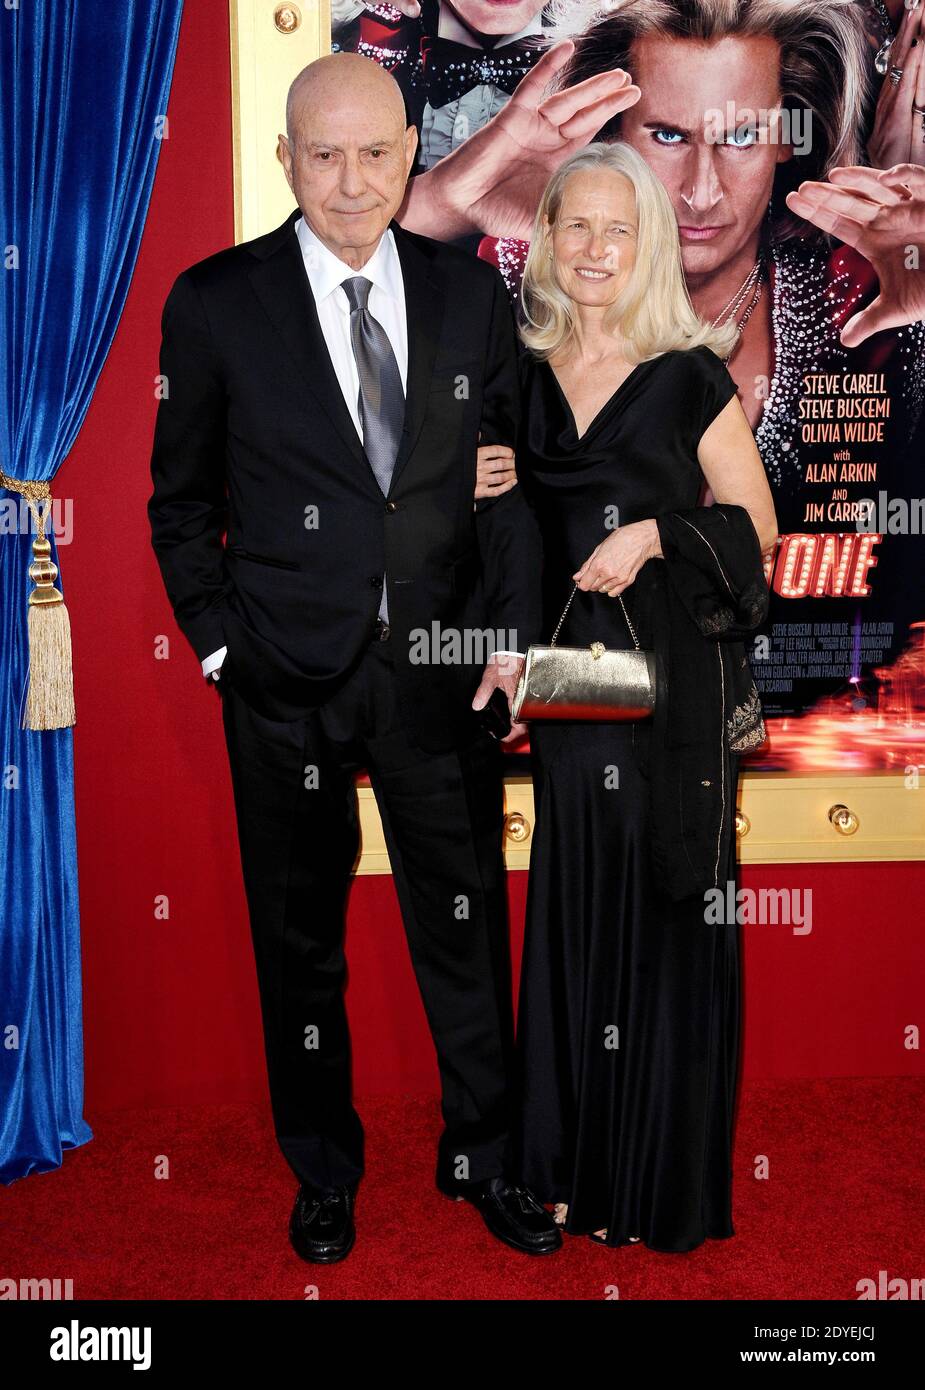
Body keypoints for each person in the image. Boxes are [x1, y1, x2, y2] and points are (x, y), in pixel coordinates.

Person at [147, 51, 560, 1263]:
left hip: (437, 671)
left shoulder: (469, 299)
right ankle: (322, 1170)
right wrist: (227, 654)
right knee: (299, 942)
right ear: (285, 159)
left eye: (377, 152)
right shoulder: (216, 302)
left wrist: (501, 635)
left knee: (467, 922)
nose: (352, 179)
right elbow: (179, 507)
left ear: (410, 157)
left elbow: (506, 494)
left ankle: (483, 1156)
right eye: (323, 153)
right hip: (285, 684)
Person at [511, 142, 778, 1250]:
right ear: (547, 236)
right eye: (575, 224)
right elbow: (504, 532)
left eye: (618, 230)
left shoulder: (687, 374)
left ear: (649, 247)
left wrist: (658, 534)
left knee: (666, 913)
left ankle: (648, 1183)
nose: (593, 248)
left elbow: (757, 533)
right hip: (573, 693)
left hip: (674, 708)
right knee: (577, 907)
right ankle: (569, 1166)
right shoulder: (516, 377)